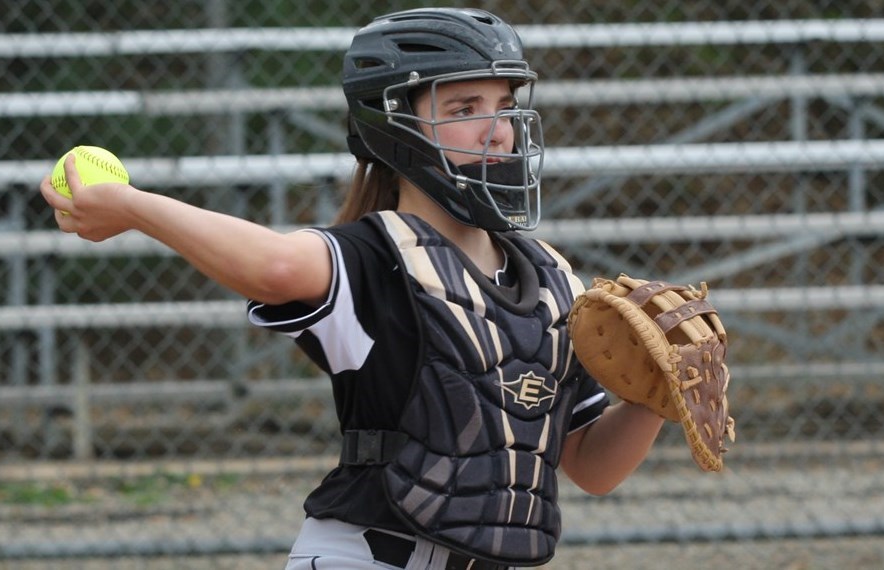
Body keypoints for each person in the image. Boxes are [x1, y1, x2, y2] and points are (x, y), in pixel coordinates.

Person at [39, 7, 665, 569]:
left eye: (503, 105)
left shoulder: (554, 281)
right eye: (464, 109)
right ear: (395, 129)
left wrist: (655, 398)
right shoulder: (376, 256)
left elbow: (589, 466)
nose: (496, 129)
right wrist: (130, 205)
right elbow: (277, 268)